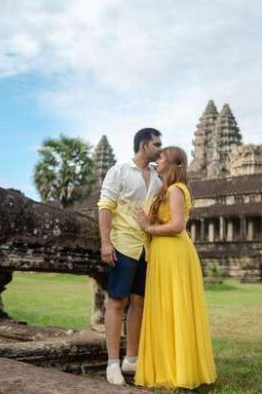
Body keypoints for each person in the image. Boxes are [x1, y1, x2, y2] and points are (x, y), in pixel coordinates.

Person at [134, 146, 217, 389]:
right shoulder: (165, 190)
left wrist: (148, 228)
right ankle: (167, 366)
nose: (156, 160)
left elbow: (178, 225)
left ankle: (180, 371)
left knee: (175, 307)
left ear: (172, 163)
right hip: (163, 253)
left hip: (174, 253)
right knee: (164, 307)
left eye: (161, 157)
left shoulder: (176, 190)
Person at [97, 128, 163, 385]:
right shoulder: (120, 171)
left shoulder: (159, 177)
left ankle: (131, 358)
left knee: (140, 301)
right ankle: (112, 362)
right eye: (157, 144)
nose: (160, 149)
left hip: (148, 248)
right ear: (144, 145)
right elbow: (105, 207)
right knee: (117, 302)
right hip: (123, 243)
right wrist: (105, 242)